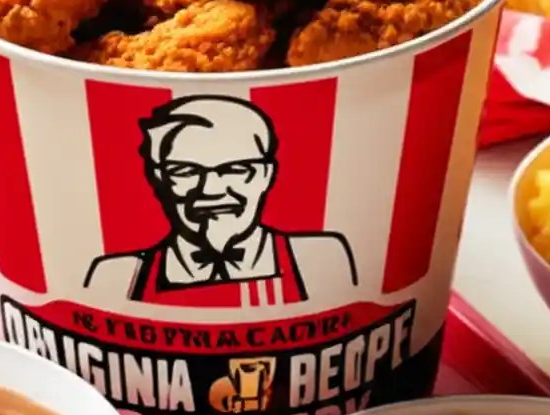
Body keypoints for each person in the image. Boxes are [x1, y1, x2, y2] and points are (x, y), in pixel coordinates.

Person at [84, 95, 357, 307]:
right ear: (159, 178)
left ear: (266, 175)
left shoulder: (319, 258)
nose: (212, 190)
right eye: (186, 171)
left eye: (237, 169)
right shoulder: (118, 276)